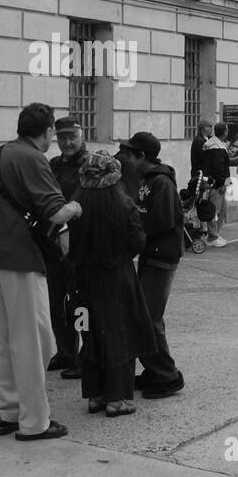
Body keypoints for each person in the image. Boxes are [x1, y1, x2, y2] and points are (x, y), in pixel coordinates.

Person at [0, 102, 82, 441]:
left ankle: (5, 413)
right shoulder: (32, 158)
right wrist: (79, 205)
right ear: (48, 131)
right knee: (33, 340)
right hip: (20, 257)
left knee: (0, 338)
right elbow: (56, 213)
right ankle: (35, 421)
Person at [71, 152, 156, 417]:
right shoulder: (123, 203)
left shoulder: (75, 204)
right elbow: (139, 241)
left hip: (82, 279)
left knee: (91, 333)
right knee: (120, 332)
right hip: (117, 277)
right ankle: (116, 398)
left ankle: (95, 394)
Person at [117, 131, 186, 400]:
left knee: (148, 318)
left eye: (130, 154)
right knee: (146, 316)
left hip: (161, 258)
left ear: (141, 156)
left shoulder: (161, 183)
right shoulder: (146, 179)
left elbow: (163, 220)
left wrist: (135, 235)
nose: (127, 159)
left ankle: (167, 375)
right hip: (150, 255)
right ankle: (153, 371)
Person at [47, 117, 88, 379]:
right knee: (56, 301)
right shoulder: (52, 166)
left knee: (80, 303)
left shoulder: (92, 164)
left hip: (81, 244)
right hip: (54, 243)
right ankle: (65, 351)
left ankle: (86, 355)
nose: (67, 142)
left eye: (72, 136)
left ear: (82, 135)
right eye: (62, 137)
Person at [199, 123, 231, 247]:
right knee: (214, 211)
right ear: (224, 132)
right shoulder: (216, 147)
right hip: (216, 185)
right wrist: (223, 184)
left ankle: (216, 234)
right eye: (227, 130)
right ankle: (212, 236)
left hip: (220, 184)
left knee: (223, 210)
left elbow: (225, 167)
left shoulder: (216, 144)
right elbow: (219, 169)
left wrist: (227, 183)